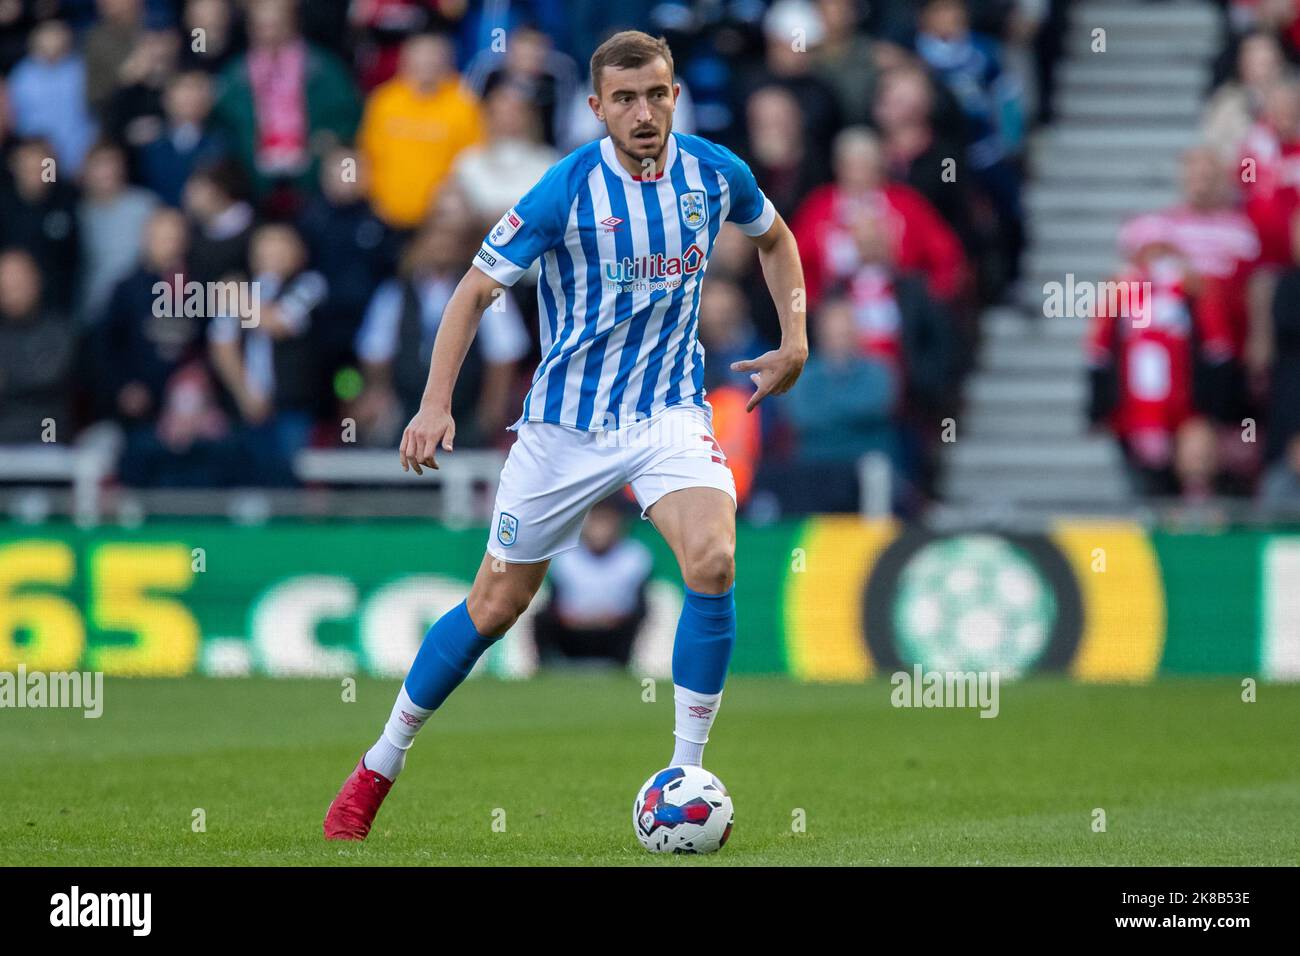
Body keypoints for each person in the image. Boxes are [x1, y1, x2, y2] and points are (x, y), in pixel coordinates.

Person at [324, 30, 808, 840]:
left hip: (666, 414)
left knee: (715, 559)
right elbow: (474, 291)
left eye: (656, 94)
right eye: (625, 99)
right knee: (497, 602)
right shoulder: (565, 189)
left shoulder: (715, 172)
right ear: (596, 109)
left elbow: (777, 240)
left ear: (674, 95)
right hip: (563, 429)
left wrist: (794, 337)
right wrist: (435, 402)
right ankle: (381, 761)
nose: (644, 112)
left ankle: (685, 770)